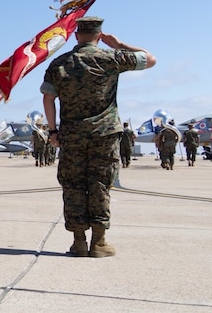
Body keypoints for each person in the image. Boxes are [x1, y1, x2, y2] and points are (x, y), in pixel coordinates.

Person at [42, 16, 156, 258]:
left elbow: (48, 98)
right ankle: (99, 242)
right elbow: (150, 59)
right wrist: (118, 44)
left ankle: (79, 241)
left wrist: (53, 131)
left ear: (76, 35)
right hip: (104, 135)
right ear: (99, 34)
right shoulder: (111, 58)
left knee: (73, 186)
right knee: (100, 184)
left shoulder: (59, 63)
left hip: (71, 135)